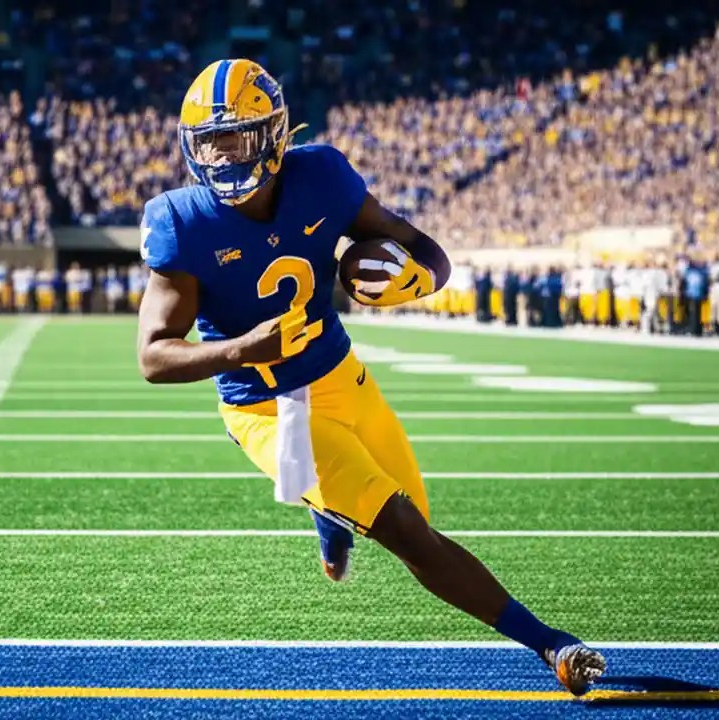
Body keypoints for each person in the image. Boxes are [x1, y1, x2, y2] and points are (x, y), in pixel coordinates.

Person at [135, 59, 605, 696]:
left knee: (419, 516)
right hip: (268, 408)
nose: (221, 156)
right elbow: (153, 357)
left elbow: (423, 247)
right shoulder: (182, 221)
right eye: (209, 142)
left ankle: (328, 515)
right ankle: (552, 645)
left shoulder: (322, 176)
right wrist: (241, 350)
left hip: (342, 375)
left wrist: (419, 278)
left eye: (236, 138)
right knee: (408, 534)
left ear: (274, 135)